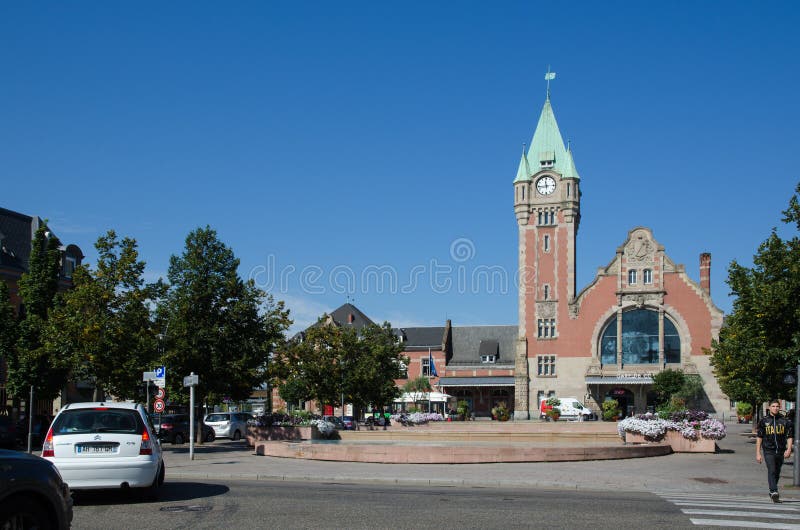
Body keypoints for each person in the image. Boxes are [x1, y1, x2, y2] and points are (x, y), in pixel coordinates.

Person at [756, 399, 794, 502]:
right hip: (768, 450)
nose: (775, 408)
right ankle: (774, 491)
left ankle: (772, 492)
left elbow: (790, 436)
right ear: (769, 407)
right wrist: (758, 453)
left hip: (780, 450)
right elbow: (759, 437)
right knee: (771, 470)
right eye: (773, 406)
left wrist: (789, 449)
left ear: (780, 407)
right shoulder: (764, 421)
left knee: (777, 472)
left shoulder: (785, 421)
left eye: (777, 406)